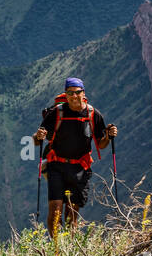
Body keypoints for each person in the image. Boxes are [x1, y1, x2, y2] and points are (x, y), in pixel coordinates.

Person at [31, 77, 117, 239]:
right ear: (66, 94)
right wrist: (38, 136)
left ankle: (69, 249)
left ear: (83, 93)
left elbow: (102, 144)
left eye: (77, 92)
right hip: (56, 165)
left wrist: (109, 136)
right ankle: (57, 249)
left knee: (72, 214)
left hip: (80, 168)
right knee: (55, 211)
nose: (73, 96)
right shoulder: (57, 113)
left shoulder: (93, 114)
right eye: (69, 93)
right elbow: (37, 141)